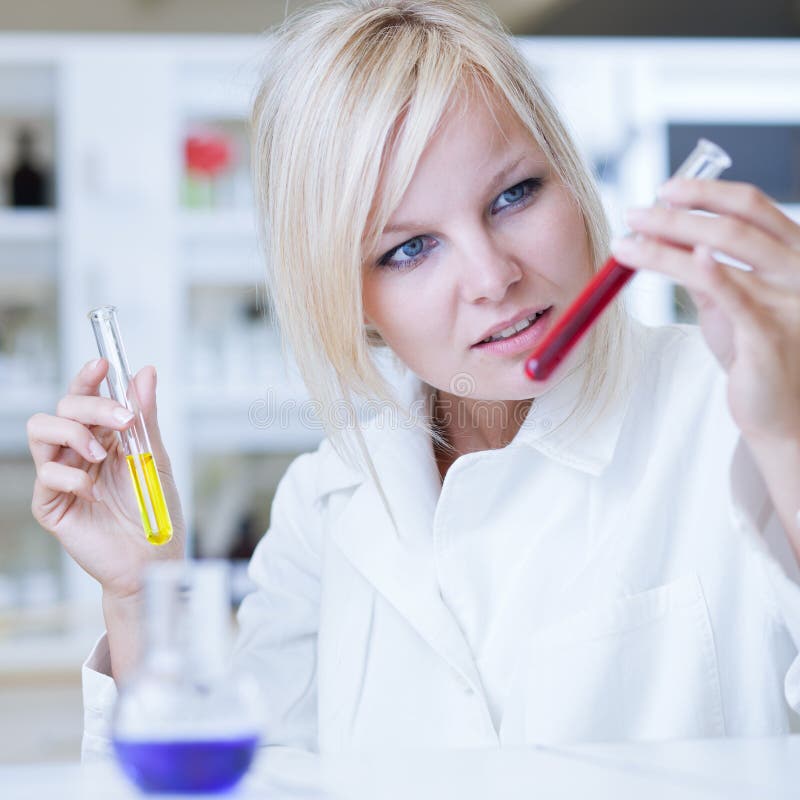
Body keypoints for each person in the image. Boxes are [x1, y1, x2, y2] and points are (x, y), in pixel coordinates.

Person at [27, 0, 800, 756]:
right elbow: (236, 781)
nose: (493, 276)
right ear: (349, 299)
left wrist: (790, 430)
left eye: (515, 194)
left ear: (570, 175)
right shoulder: (328, 501)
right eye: (409, 249)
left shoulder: (736, 411)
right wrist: (141, 597)